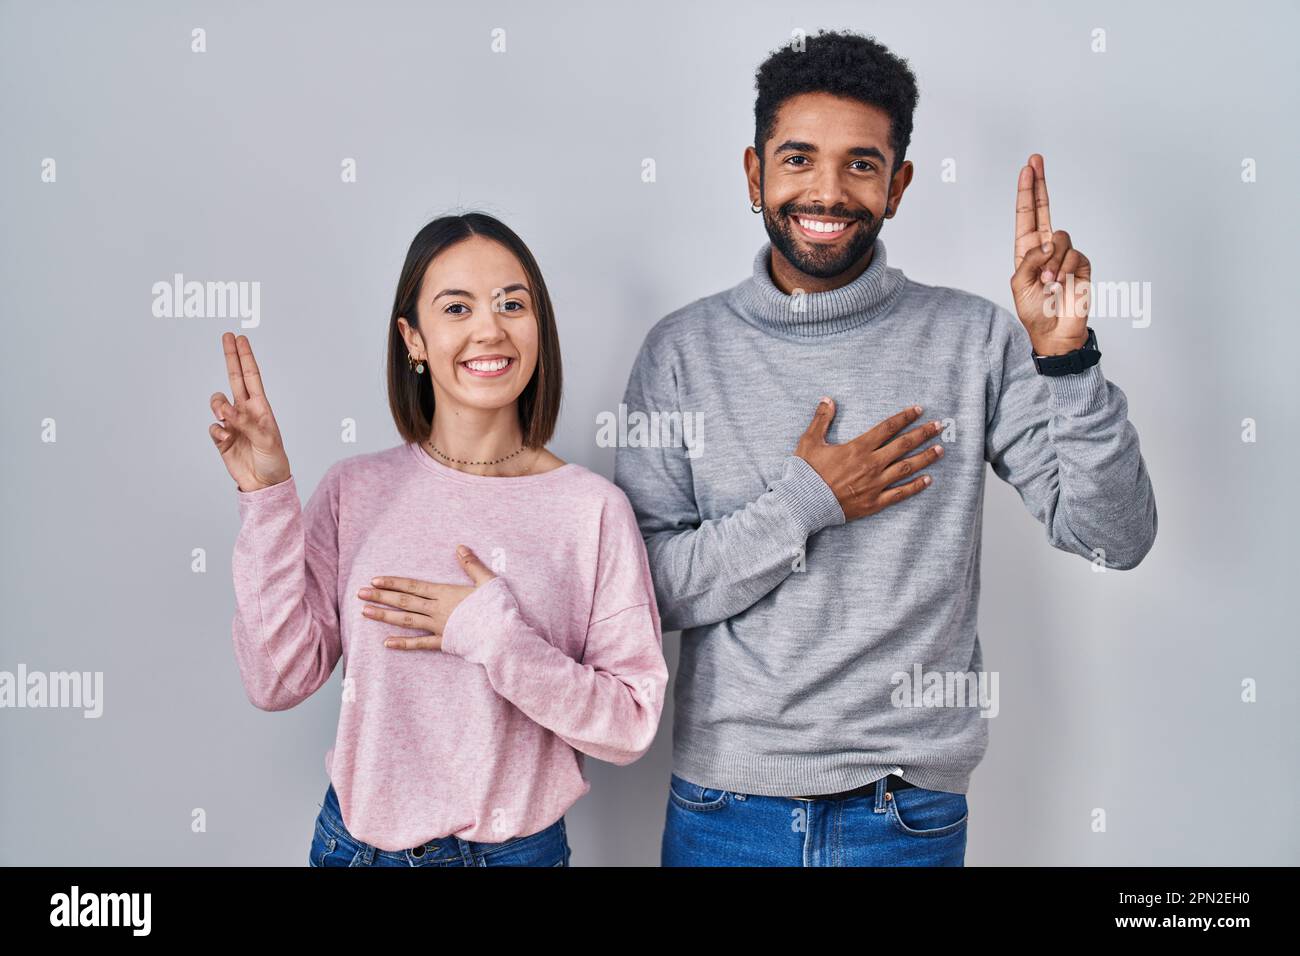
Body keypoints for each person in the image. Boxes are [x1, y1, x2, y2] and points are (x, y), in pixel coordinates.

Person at [614, 30, 1157, 867]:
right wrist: (807, 502)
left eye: (861, 164)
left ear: (898, 185)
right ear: (754, 173)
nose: (827, 190)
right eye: (798, 158)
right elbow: (644, 593)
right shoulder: (681, 352)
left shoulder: (974, 340)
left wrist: (1067, 359)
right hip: (726, 808)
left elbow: (1114, 537)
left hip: (905, 814)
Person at [211, 213, 668, 867]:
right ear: (413, 339)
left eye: (514, 303)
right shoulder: (353, 490)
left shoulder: (592, 511)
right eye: (457, 307)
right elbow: (277, 678)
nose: (491, 327)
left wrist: (495, 637)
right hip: (355, 851)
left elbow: (630, 725)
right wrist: (266, 497)